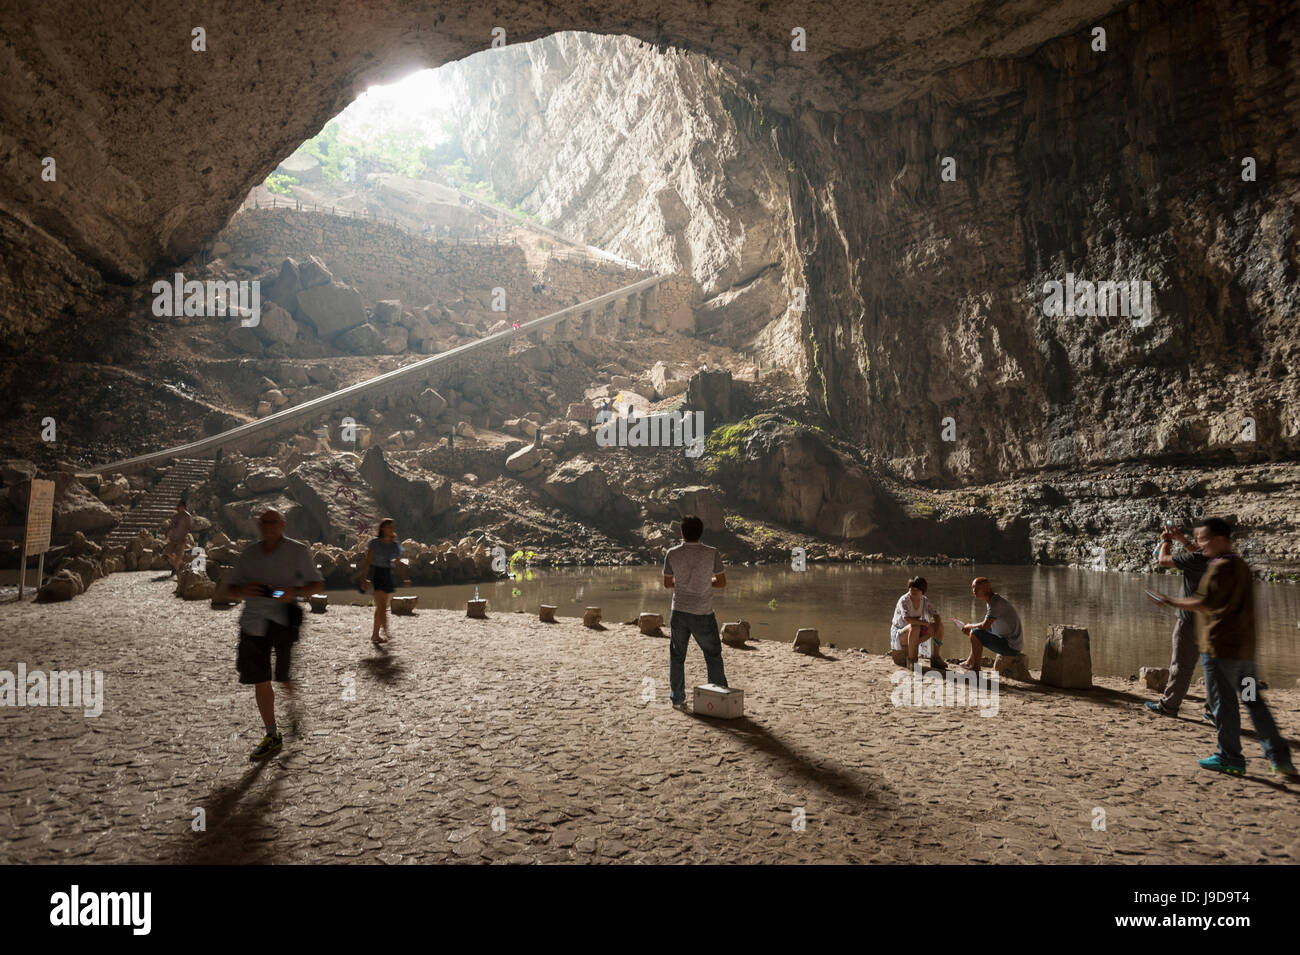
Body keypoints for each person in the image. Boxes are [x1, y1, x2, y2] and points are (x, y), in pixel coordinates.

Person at [1150, 518, 1296, 776]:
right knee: (1253, 701)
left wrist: (1170, 600)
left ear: (1218, 539)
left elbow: (1205, 603)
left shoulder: (1218, 567)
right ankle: (1279, 756)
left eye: (1203, 540)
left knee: (1223, 702)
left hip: (1220, 653)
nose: (1200, 545)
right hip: (1245, 655)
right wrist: (1184, 541)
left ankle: (1230, 756)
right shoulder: (1240, 565)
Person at [226, 509, 322, 761]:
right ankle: (272, 733)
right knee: (260, 678)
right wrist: (243, 589)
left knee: (282, 674)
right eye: (264, 522)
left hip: (283, 619)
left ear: (282, 524)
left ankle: (292, 701)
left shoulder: (297, 551)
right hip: (254, 621)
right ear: (259, 525)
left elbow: (316, 584)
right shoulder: (249, 554)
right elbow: (230, 588)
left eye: (273, 522)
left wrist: (291, 592)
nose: (268, 527)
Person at [1144, 523, 1211, 717]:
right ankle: (1214, 710)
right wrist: (1182, 540)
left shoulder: (1197, 559)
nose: (1196, 542)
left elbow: (1163, 560)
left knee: (1181, 666)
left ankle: (1169, 706)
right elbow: (1197, 552)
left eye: (1199, 538)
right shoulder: (1220, 558)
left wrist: (1166, 541)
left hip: (1190, 620)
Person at [662, 515, 728, 709]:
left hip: (679, 611)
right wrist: (707, 582)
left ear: (682, 533)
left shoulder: (672, 553)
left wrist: (682, 583)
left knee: (677, 656)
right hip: (703, 612)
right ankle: (715, 699)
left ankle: (677, 698)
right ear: (701, 533)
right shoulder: (712, 552)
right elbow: (722, 582)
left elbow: (667, 583)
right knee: (713, 656)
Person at [360, 518, 411, 646]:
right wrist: (363, 578)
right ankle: (385, 631)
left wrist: (404, 577)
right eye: (389, 527)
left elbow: (398, 563)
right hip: (376, 573)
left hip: (387, 574)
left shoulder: (394, 545)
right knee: (381, 606)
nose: (391, 529)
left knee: (381, 606)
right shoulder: (374, 543)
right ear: (382, 528)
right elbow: (367, 561)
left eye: (392, 527)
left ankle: (375, 635)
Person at [958, 577, 1023, 670]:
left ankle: (976, 668)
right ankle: (970, 662)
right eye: (972, 587)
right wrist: (971, 628)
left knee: (975, 633)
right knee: (975, 631)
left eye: (977, 588)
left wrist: (970, 626)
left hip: (1011, 646)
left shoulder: (996, 603)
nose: (974, 590)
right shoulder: (992, 601)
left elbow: (985, 625)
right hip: (1007, 640)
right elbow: (987, 625)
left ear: (987, 588)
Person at [890, 576, 945, 670]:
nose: (913, 591)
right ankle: (912, 661)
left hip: (917, 630)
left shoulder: (924, 600)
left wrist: (936, 624)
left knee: (939, 626)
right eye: (911, 588)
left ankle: (935, 658)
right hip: (900, 634)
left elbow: (936, 615)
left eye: (917, 589)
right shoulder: (904, 600)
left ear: (922, 591)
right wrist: (927, 624)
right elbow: (907, 619)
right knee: (914, 627)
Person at [162, 501, 193, 579]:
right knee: (168, 552)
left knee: (179, 554)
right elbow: (171, 525)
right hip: (173, 537)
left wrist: (184, 537)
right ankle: (177, 566)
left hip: (181, 538)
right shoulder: (175, 516)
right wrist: (167, 533)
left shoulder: (187, 516)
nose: (179, 507)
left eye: (180, 506)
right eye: (178, 506)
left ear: (183, 506)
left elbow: (188, 527)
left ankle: (175, 569)